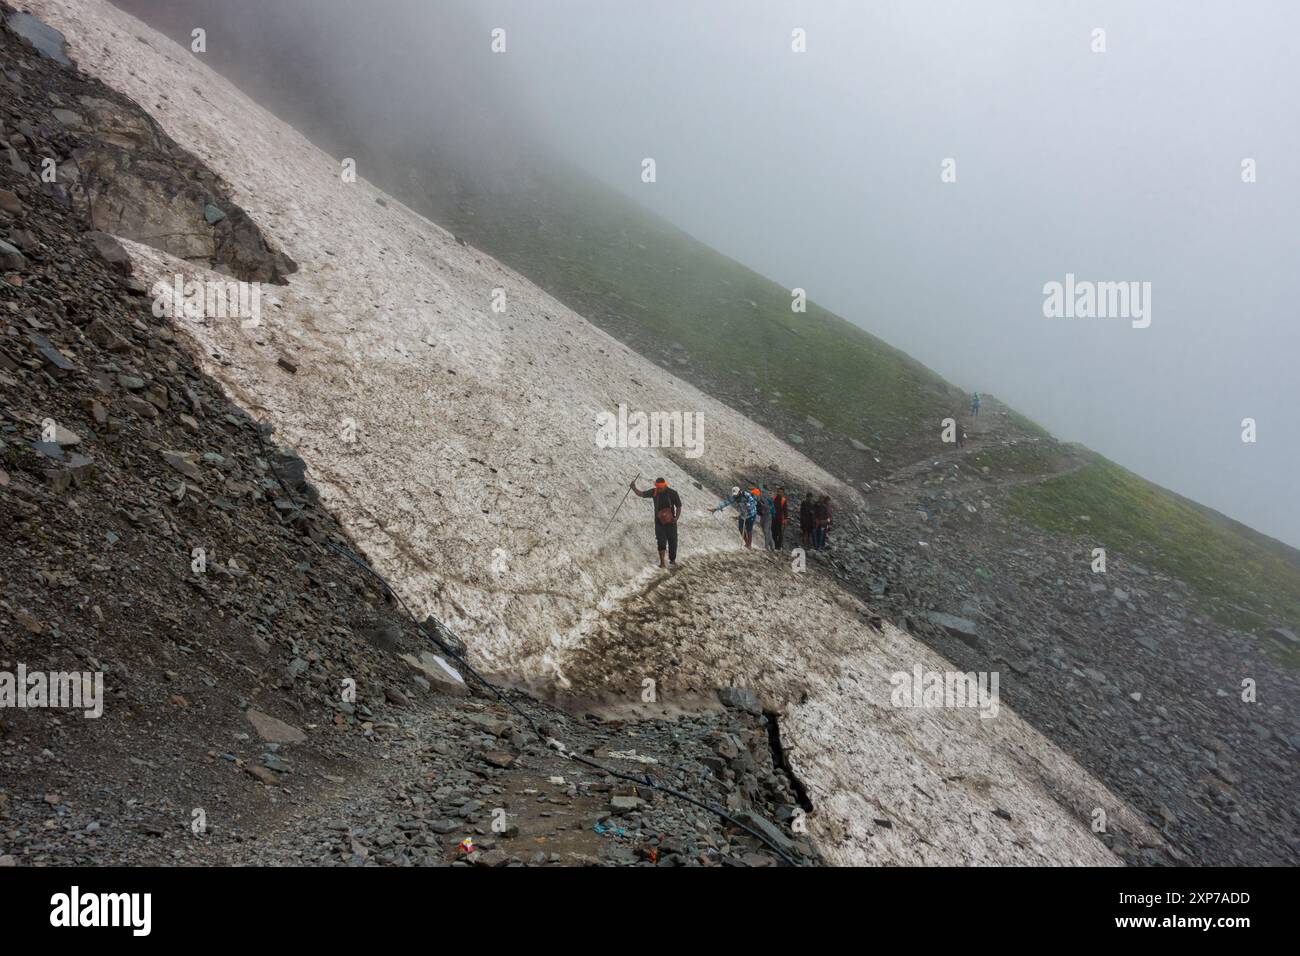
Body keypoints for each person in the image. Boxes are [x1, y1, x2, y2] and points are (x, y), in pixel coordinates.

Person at [631, 477, 681, 568]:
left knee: (673, 541)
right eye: (657, 487)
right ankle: (662, 563)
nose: (658, 489)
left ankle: (672, 560)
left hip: (671, 522)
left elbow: (679, 507)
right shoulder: (654, 492)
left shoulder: (673, 493)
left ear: (665, 485)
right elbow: (641, 494)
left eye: (660, 488)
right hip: (659, 523)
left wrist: (676, 518)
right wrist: (633, 488)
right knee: (661, 541)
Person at [753, 486, 775, 551]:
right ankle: (772, 545)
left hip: (768, 515)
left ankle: (766, 546)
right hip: (761, 516)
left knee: (766, 530)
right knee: (767, 531)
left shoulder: (765, 498)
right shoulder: (757, 498)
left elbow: (770, 507)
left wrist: (763, 505)